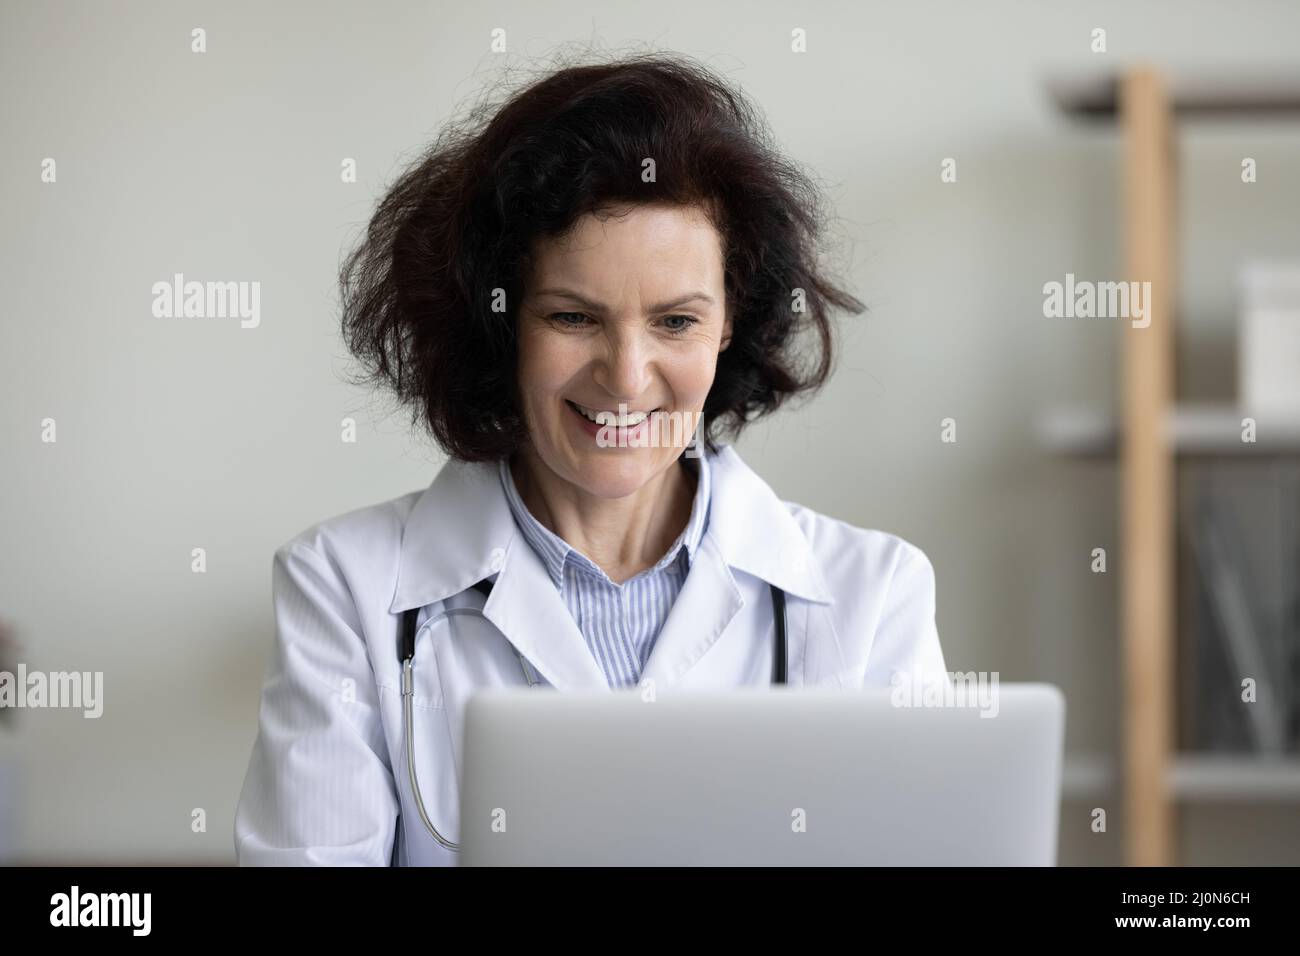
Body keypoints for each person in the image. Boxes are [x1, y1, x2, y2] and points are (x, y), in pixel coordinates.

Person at [235, 53, 948, 866]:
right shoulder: (344, 587)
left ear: (728, 326)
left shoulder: (874, 592)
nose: (626, 375)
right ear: (501, 325)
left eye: (676, 322)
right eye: (574, 317)